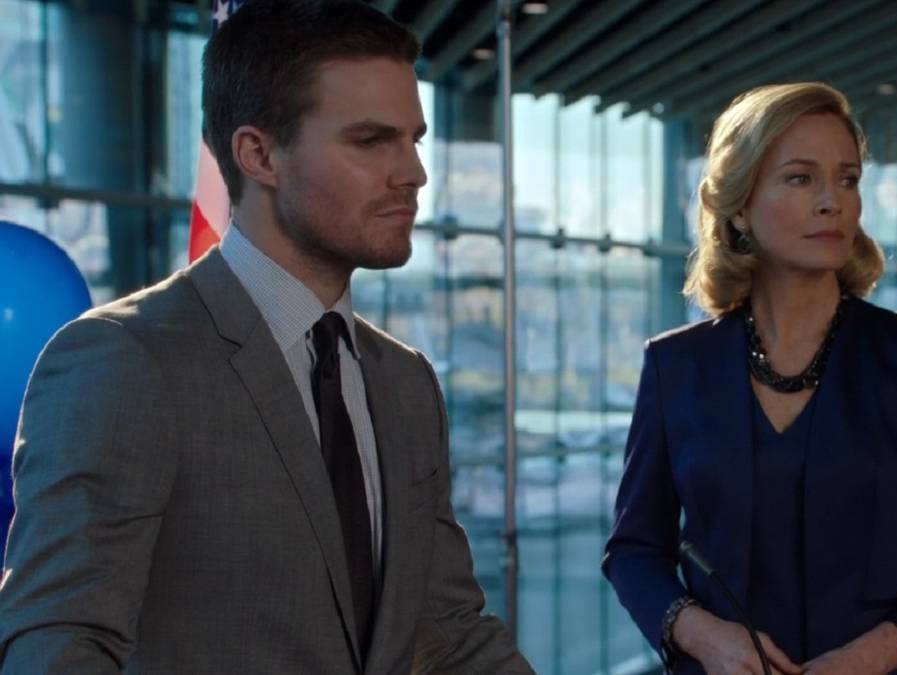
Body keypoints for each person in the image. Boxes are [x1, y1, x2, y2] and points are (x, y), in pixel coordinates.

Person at [0, 2, 532, 673]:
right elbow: (56, 648)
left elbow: (449, 632)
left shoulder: (406, 382)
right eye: (372, 141)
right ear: (258, 154)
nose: (414, 173)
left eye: (413, 140)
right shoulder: (123, 361)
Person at [602, 82, 897, 675]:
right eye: (800, 178)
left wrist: (866, 660)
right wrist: (705, 636)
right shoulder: (676, 366)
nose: (832, 202)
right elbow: (634, 550)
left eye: (847, 180)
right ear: (739, 206)